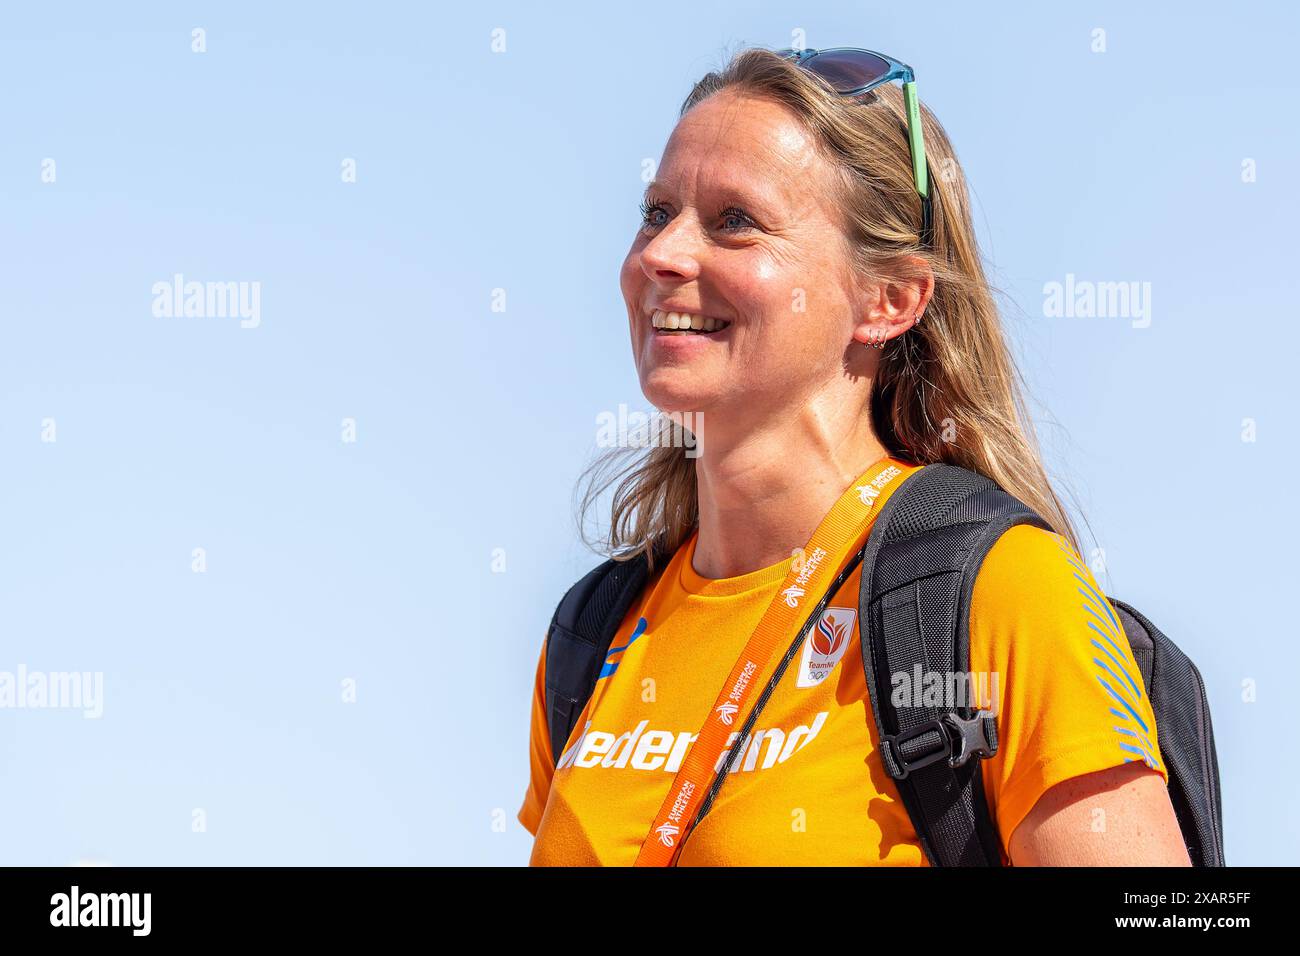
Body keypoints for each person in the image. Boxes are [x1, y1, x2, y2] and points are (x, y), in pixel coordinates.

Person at [517, 46, 1190, 866]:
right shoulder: (592, 635)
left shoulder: (998, 595)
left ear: (890, 299)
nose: (662, 255)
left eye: (736, 220)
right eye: (658, 212)